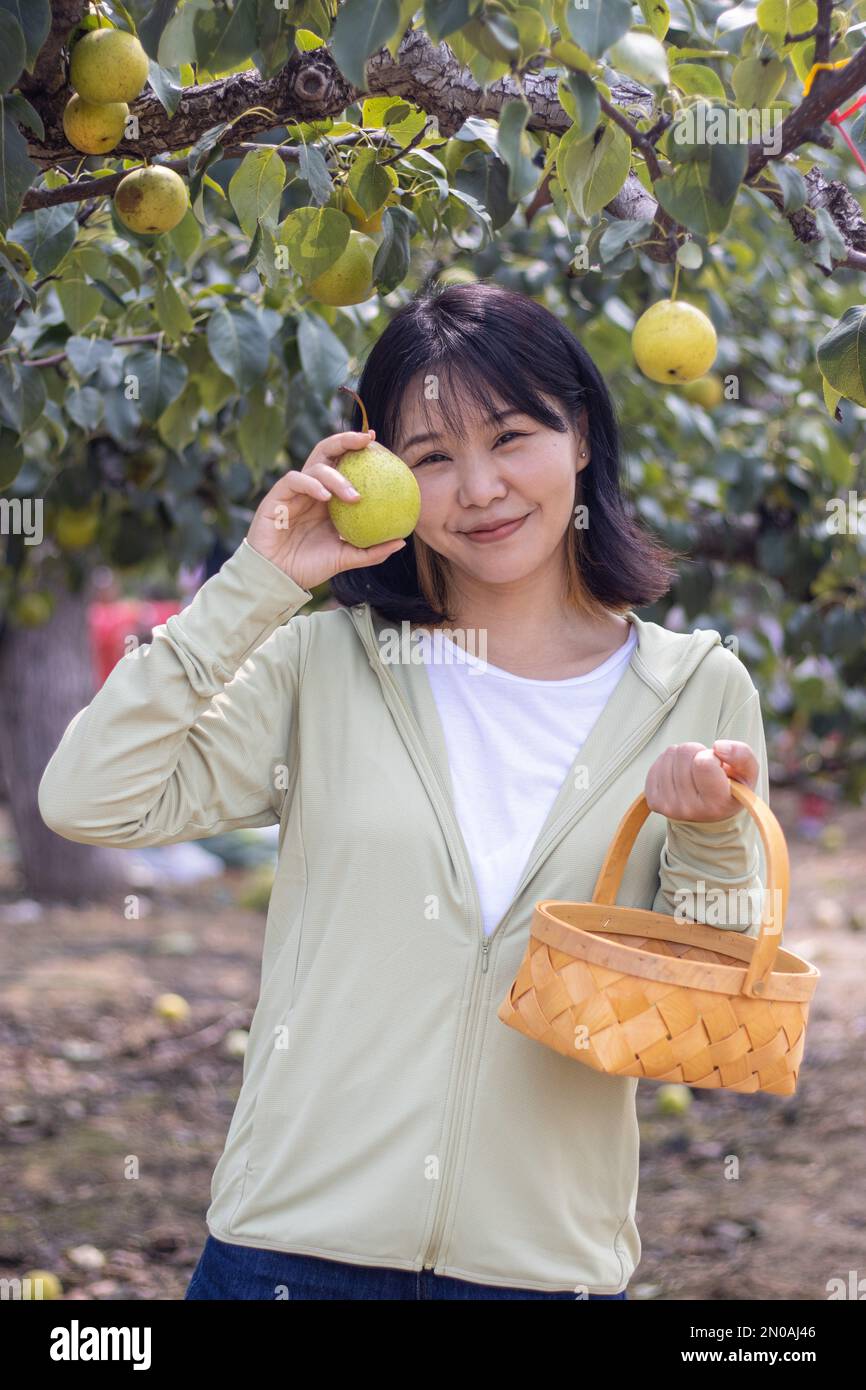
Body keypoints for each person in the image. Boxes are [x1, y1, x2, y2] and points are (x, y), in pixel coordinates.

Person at [38, 282, 769, 1301]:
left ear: (582, 441)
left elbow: (724, 977)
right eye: (430, 457)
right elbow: (87, 796)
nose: (477, 487)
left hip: (538, 1271)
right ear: (384, 474)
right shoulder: (325, 667)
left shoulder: (695, 686)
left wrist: (705, 838)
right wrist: (260, 580)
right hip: (285, 1254)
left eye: (511, 437)